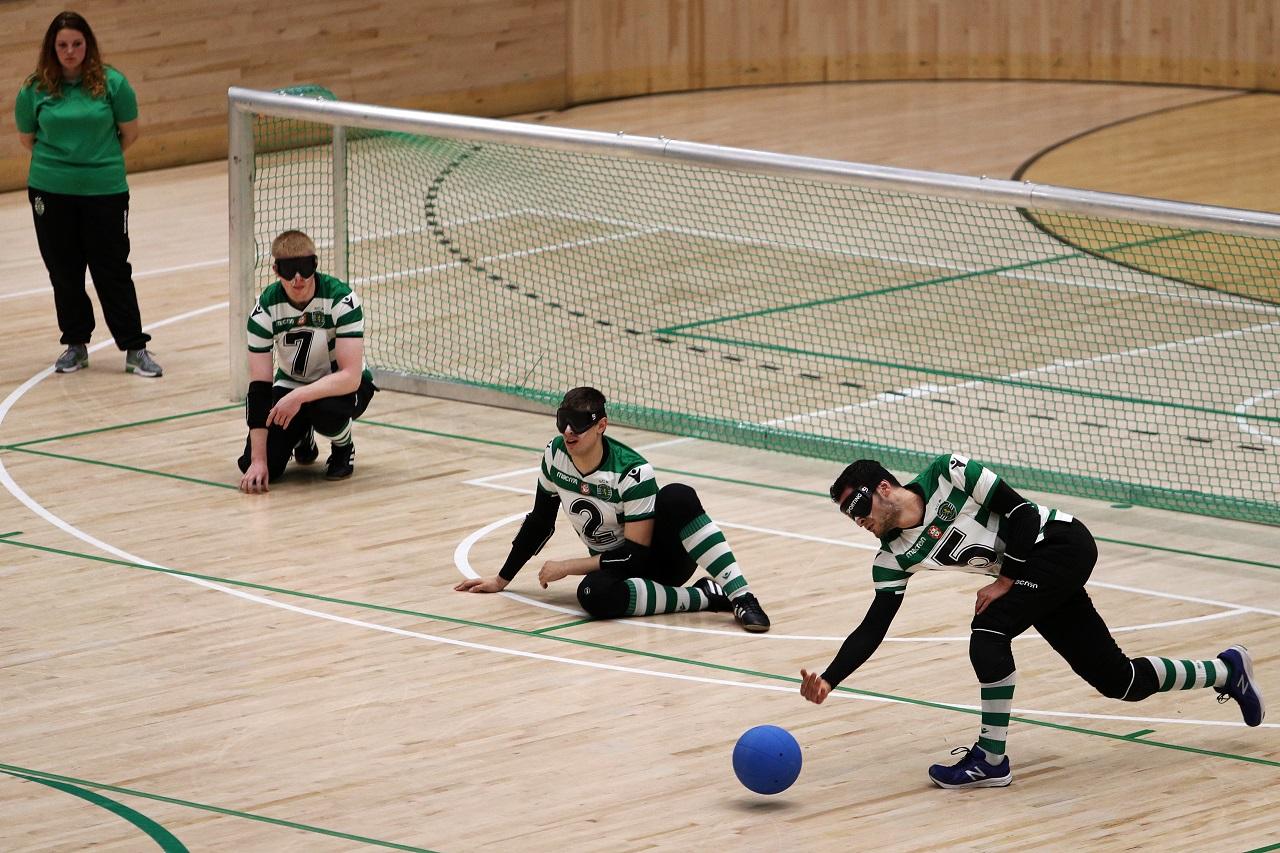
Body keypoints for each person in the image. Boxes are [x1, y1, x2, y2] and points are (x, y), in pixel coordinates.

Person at [800, 454, 1265, 789]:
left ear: (884, 488)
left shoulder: (949, 472)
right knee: (1118, 680)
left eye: (857, 506)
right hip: (1033, 574)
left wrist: (1004, 579)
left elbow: (1021, 513)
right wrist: (831, 678)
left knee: (988, 633)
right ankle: (1228, 670)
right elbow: (873, 626)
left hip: (1060, 543)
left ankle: (991, 759)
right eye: (847, 514)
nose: (856, 519)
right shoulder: (891, 557)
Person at [455, 386, 772, 632]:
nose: (568, 432)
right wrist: (502, 579)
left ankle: (741, 596)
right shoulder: (554, 456)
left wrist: (567, 565)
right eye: (563, 422)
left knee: (678, 496)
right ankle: (705, 596)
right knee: (592, 595)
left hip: (657, 560)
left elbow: (635, 554)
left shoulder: (631, 471)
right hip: (614, 566)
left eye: (578, 424)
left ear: (601, 426)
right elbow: (539, 520)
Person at [14, 11, 162, 378]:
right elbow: (27, 138)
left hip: (105, 191)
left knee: (112, 269)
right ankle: (76, 345)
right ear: (52, 47)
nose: (69, 51)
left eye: (76, 44)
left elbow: (129, 133)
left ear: (88, 45)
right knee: (64, 271)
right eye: (62, 45)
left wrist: (96, 163)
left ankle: (134, 348)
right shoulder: (34, 89)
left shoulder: (113, 84)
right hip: (51, 191)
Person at [237, 230, 377, 493]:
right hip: (292, 386)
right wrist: (258, 460)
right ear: (277, 270)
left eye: (304, 268)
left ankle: (343, 445)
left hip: (341, 388)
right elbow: (259, 387)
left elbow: (351, 376)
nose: (298, 278)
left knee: (326, 410)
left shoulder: (341, 299)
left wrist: (299, 397)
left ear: (315, 265)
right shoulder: (264, 311)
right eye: (290, 270)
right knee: (263, 468)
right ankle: (301, 434)